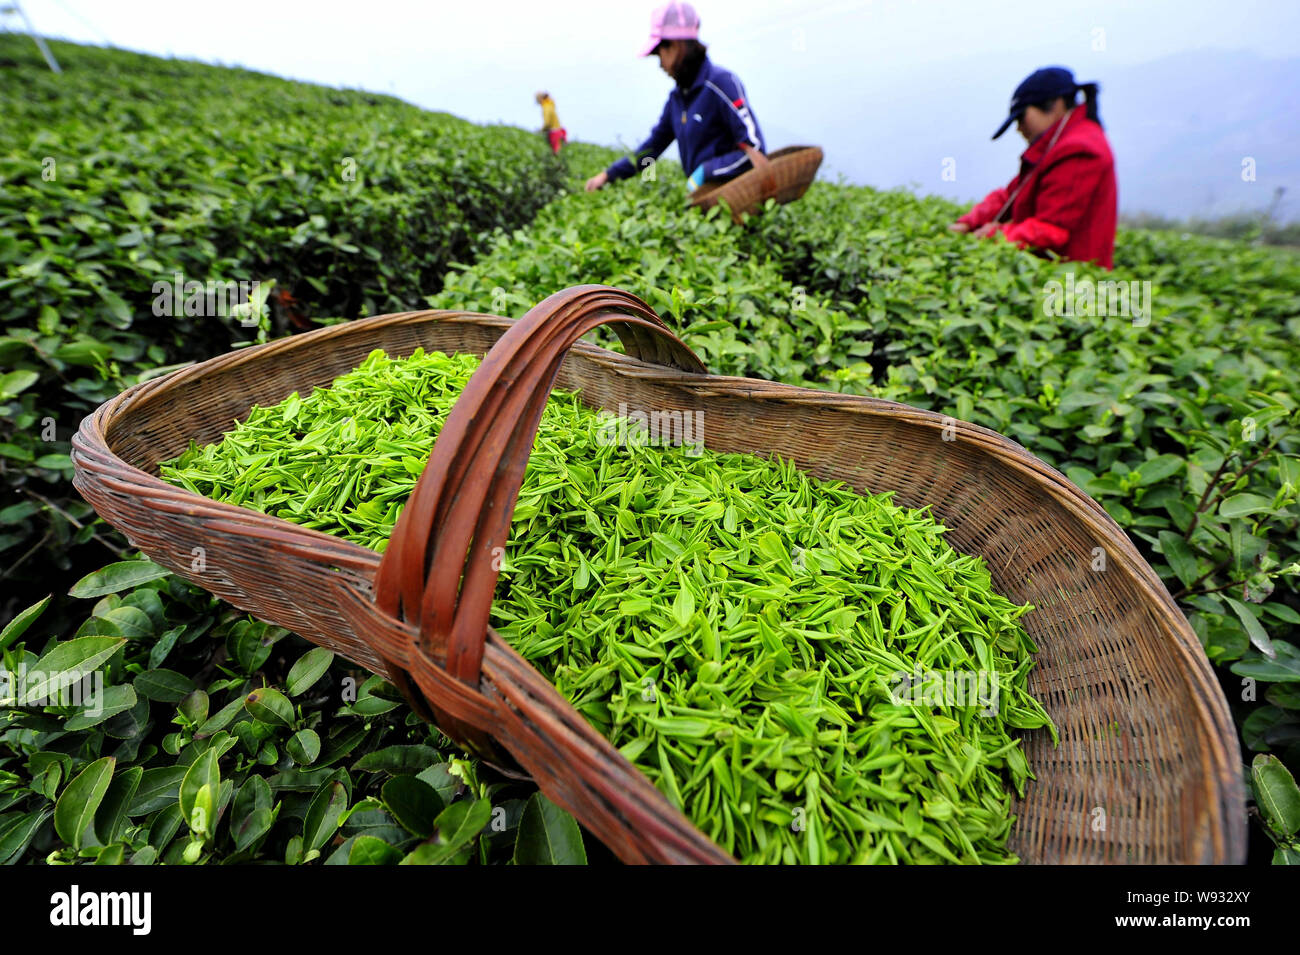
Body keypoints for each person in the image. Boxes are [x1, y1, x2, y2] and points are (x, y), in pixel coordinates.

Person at [585, 2, 765, 194]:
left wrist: (707, 171)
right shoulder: (678, 99)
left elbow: (756, 150)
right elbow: (652, 149)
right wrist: (609, 175)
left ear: (676, 46)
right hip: (703, 201)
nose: (660, 64)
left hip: (738, 201)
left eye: (659, 53)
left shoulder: (721, 84)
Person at [951, 67, 1117, 269]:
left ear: (1055, 106)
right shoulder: (1055, 144)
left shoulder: (1078, 149)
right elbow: (1013, 194)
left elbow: (1052, 229)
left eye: (1022, 118)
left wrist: (993, 235)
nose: (1019, 128)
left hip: (1072, 283)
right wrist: (969, 222)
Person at [535, 90, 566, 155]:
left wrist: (541, 130)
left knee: (556, 153)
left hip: (554, 133)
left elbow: (547, 123)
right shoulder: (550, 104)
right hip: (559, 130)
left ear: (540, 99)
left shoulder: (546, 107)